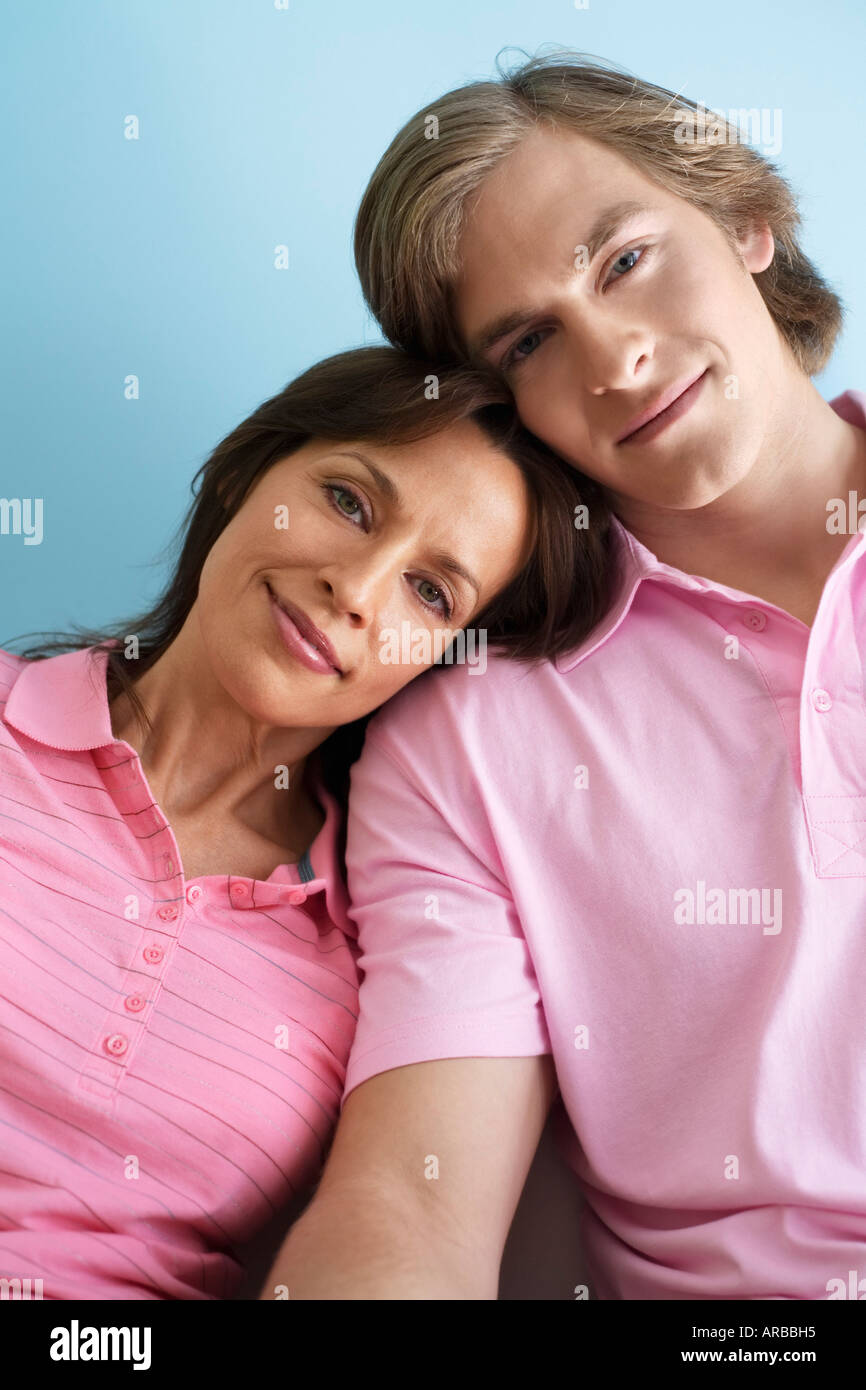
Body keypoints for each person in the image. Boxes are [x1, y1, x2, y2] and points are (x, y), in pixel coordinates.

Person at [262, 52, 866, 1301]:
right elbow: (410, 1204)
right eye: (532, 339)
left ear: (743, 216)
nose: (617, 358)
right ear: (499, 402)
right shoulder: (463, 743)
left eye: (625, 260)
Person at [0, 343, 601, 1300]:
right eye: (351, 503)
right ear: (246, 471)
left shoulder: (388, 939)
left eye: (431, 591)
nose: (356, 593)